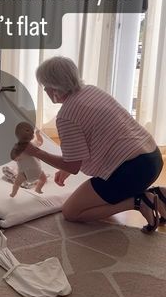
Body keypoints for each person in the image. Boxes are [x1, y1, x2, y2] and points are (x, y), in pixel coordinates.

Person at [20, 56, 165, 233]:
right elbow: (95, 138)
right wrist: (65, 168)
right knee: (92, 199)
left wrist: (35, 151)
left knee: (71, 212)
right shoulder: (91, 91)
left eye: (45, 87)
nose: (45, 91)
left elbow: (73, 166)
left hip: (131, 171)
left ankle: (139, 201)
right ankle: (157, 195)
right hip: (152, 158)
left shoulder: (67, 115)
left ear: (54, 88)